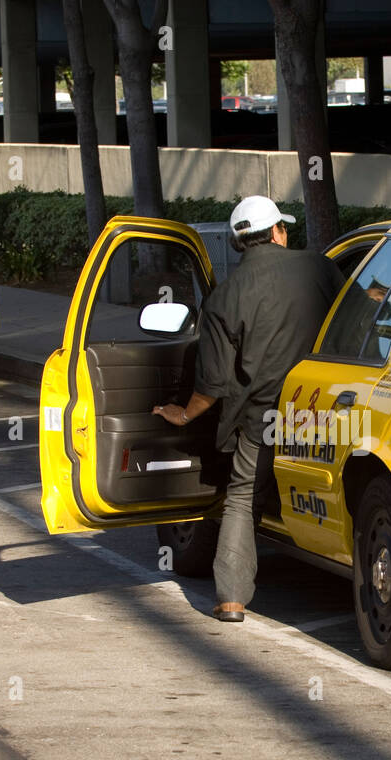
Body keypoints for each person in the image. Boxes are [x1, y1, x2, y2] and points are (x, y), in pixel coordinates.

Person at [152, 195, 345, 622]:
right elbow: (359, 314)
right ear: (278, 232)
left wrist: (182, 414)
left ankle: (232, 599)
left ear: (240, 244)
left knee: (242, 498)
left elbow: (213, 385)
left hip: (264, 421)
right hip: (323, 413)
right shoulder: (320, 267)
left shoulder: (224, 298)